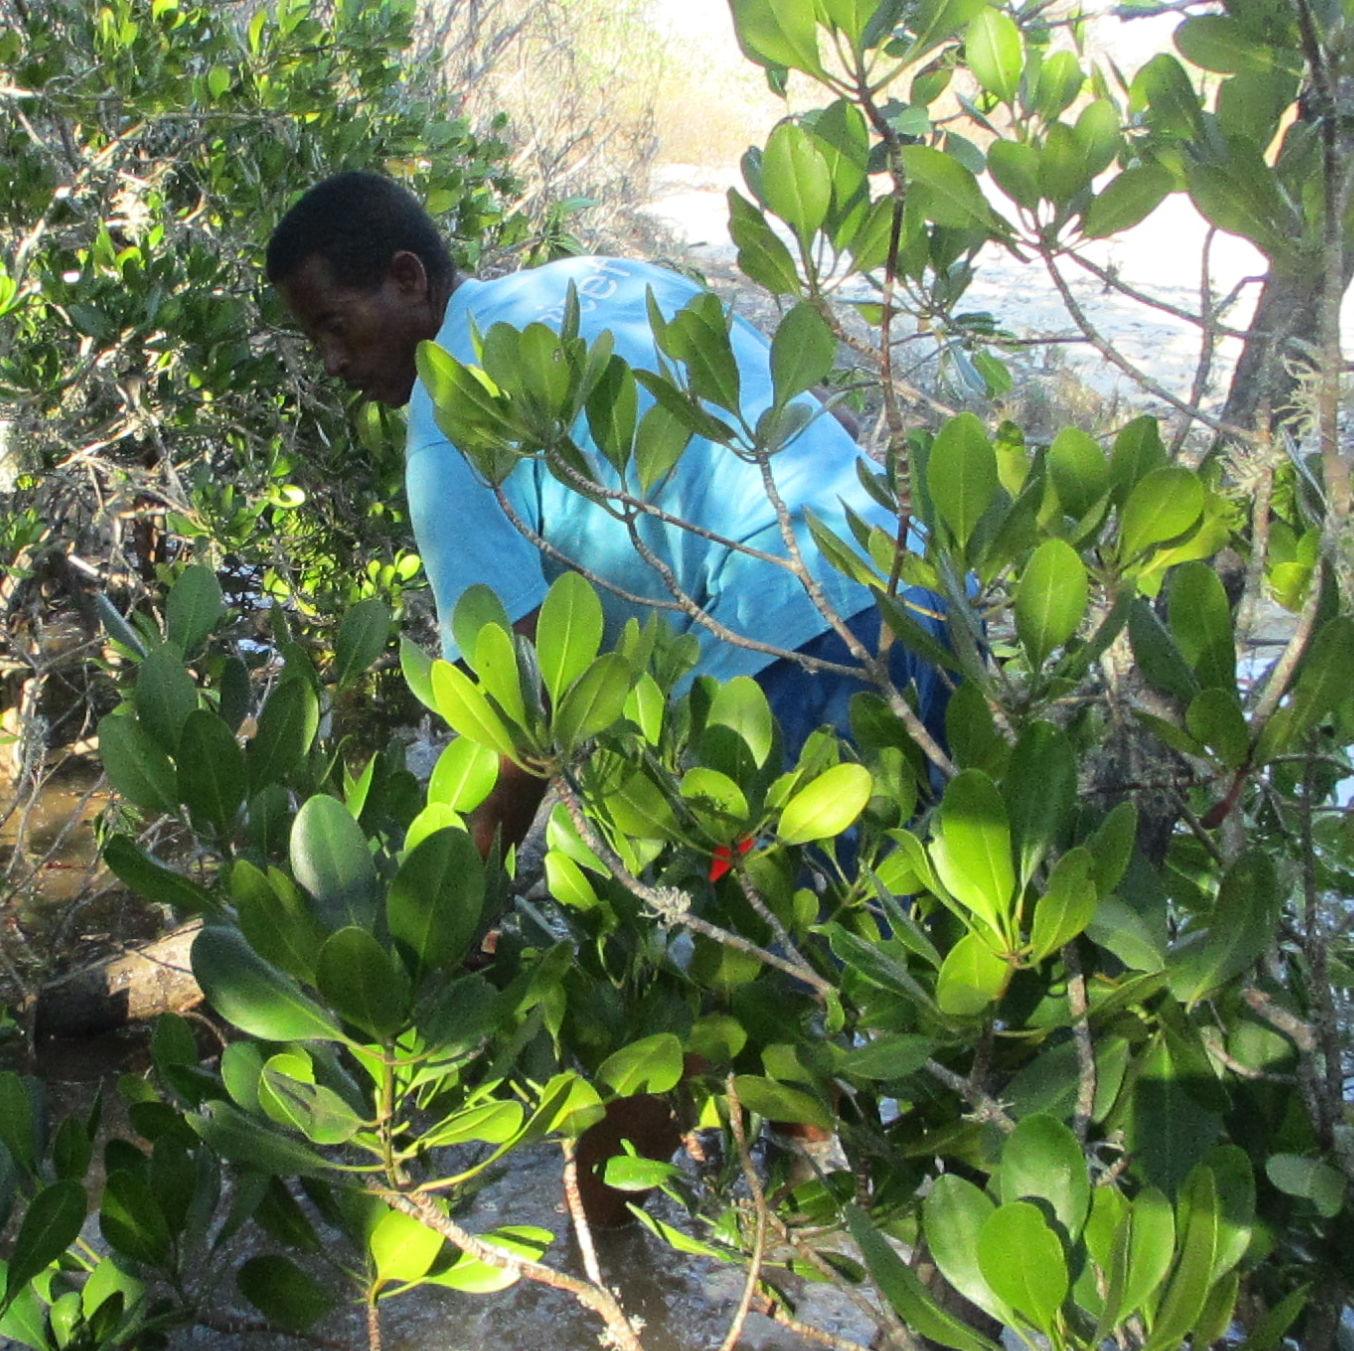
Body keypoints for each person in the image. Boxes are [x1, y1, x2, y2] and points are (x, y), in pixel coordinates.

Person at [266, 170, 948, 860]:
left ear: (408, 278)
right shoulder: (597, 279)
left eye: (335, 327)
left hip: (797, 655)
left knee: (815, 951)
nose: (331, 364)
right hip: (919, 581)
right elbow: (832, 407)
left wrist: (468, 886)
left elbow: (532, 706)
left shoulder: (451, 421)